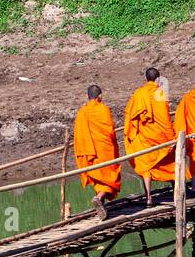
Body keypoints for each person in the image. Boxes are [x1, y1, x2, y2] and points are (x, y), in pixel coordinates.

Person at [124, 67, 176, 206]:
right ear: (158, 79)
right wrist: (171, 137)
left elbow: (130, 113)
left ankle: (148, 197)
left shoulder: (138, 94)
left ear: (146, 79)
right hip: (159, 135)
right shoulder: (159, 93)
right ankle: (176, 190)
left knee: (145, 163)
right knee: (169, 158)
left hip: (145, 136)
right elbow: (165, 118)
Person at [73, 84, 122, 218]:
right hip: (104, 150)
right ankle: (99, 198)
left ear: (87, 97)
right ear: (100, 96)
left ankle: (102, 208)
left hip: (89, 152)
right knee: (111, 176)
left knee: (98, 177)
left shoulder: (82, 112)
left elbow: (78, 135)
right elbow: (110, 131)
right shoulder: (103, 109)